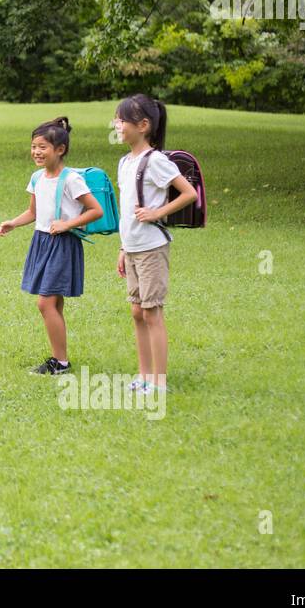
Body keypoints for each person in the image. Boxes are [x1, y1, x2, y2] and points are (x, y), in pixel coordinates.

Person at [0, 117, 103, 375]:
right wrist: (13, 222)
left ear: (60, 149)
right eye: (34, 146)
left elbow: (95, 210)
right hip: (42, 241)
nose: (36, 152)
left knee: (44, 304)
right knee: (53, 304)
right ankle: (60, 358)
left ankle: (61, 362)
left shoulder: (71, 179)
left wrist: (68, 224)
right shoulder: (36, 177)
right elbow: (33, 212)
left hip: (62, 244)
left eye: (42, 147)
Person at [113, 94, 198, 394]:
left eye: (121, 120)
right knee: (137, 312)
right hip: (133, 247)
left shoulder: (156, 161)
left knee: (152, 312)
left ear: (143, 125)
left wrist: (156, 213)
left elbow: (189, 194)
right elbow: (126, 210)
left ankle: (159, 382)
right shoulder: (124, 162)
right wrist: (123, 248)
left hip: (152, 247)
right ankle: (143, 374)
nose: (117, 125)